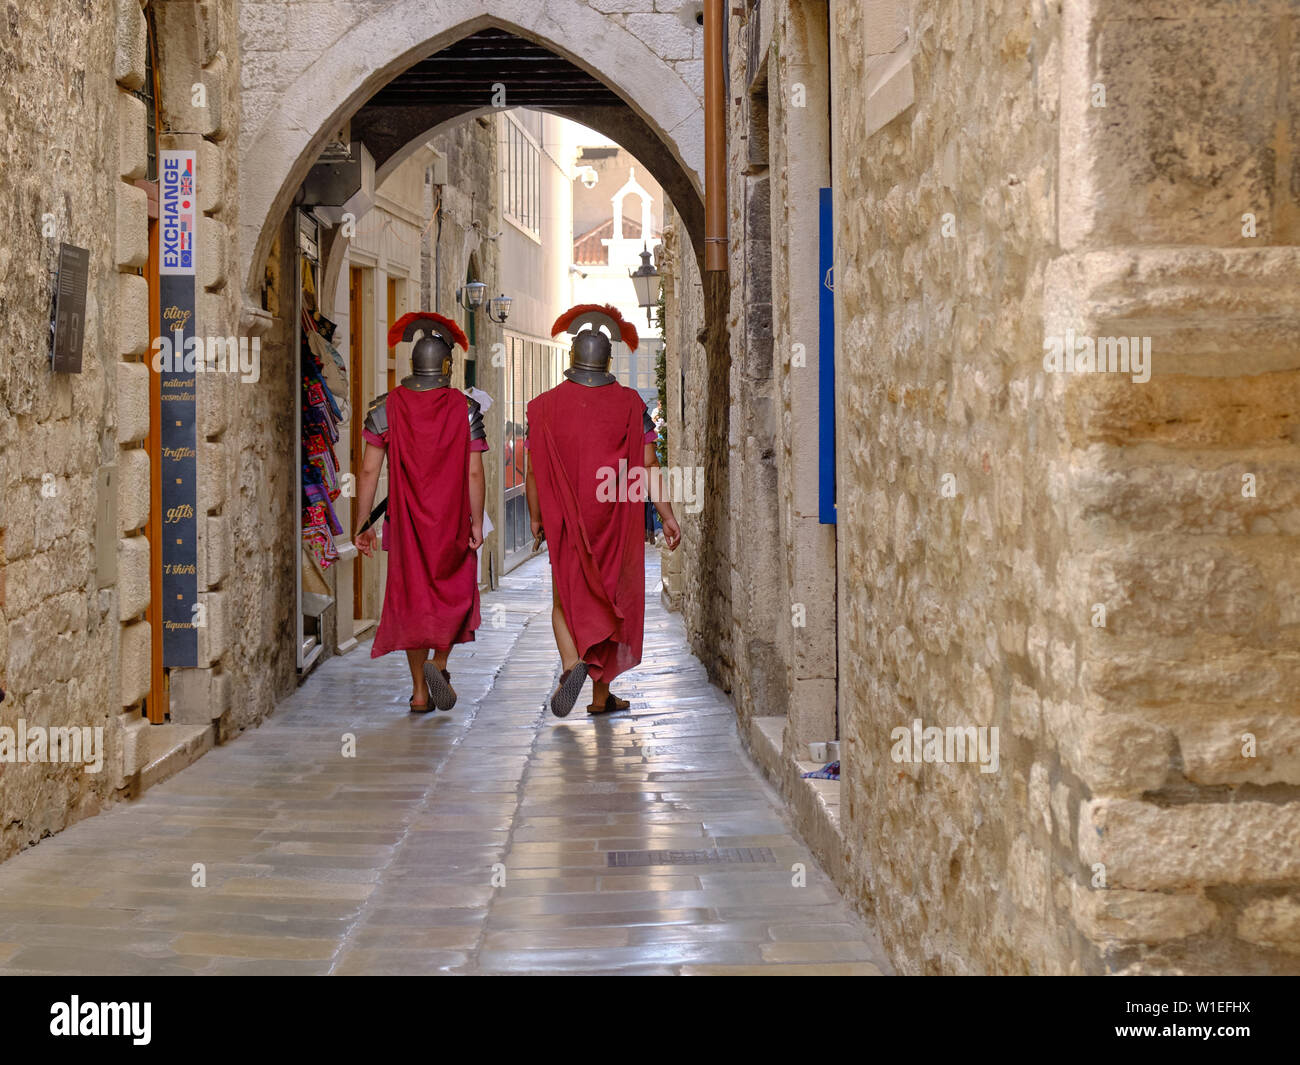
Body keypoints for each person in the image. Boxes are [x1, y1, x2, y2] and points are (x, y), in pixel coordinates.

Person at [525, 304, 681, 718]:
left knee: (564, 598)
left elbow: (534, 472)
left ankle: (571, 664)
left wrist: (536, 517)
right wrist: (667, 516)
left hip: (564, 518)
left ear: (572, 357)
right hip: (614, 520)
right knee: (612, 600)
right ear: (608, 360)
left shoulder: (542, 407)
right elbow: (649, 465)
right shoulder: (631, 405)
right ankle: (599, 696)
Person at [354, 312, 488, 712]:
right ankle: (439, 663)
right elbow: (475, 471)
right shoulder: (465, 409)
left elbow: (367, 471)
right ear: (447, 366)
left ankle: (418, 692)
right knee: (456, 596)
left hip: (406, 526)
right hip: (451, 523)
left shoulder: (386, 408)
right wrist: (477, 521)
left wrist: (362, 525)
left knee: (413, 602)